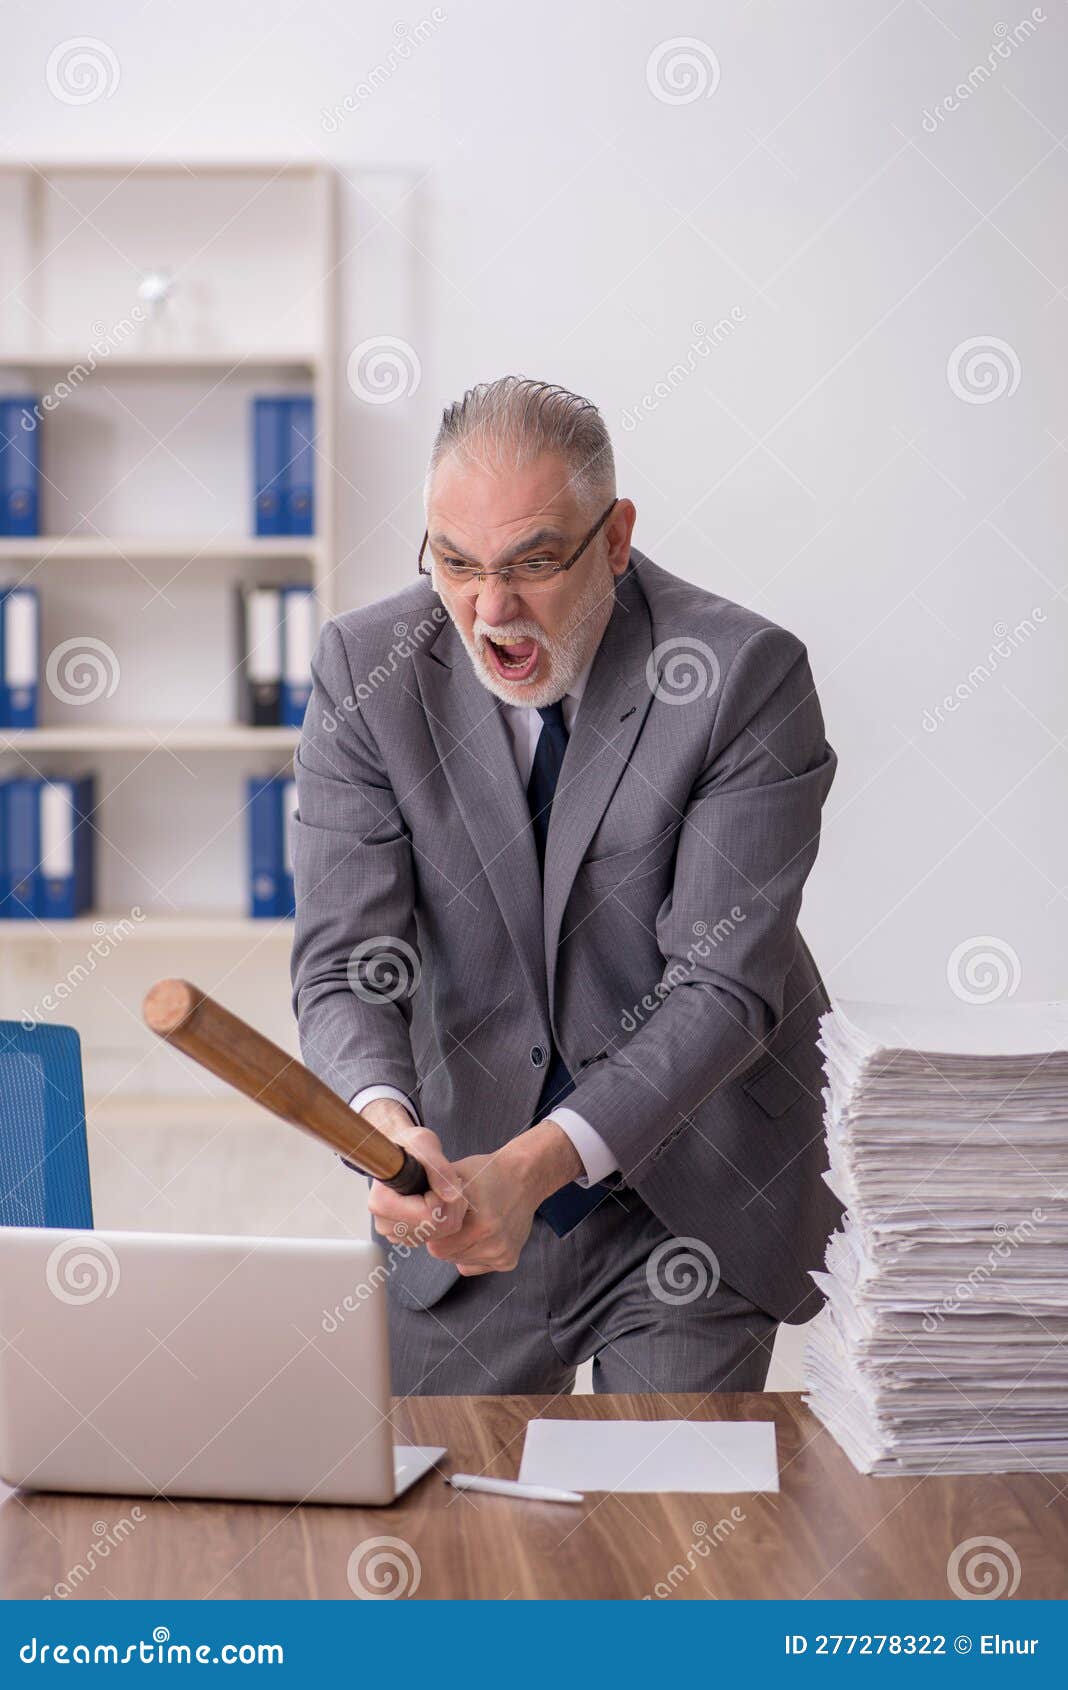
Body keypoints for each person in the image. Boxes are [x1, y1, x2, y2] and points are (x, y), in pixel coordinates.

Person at [291, 376, 841, 1396]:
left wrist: (540, 1163)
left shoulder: (741, 675)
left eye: (534, 563)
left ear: (616, 537)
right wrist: (387, 1133)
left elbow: (721, 988)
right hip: (463, 1185)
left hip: (693, 1188)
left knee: (666, 1492)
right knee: (442, 1491)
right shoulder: (366, 672)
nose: (490, 609)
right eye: (456, 563)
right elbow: (345, 967)